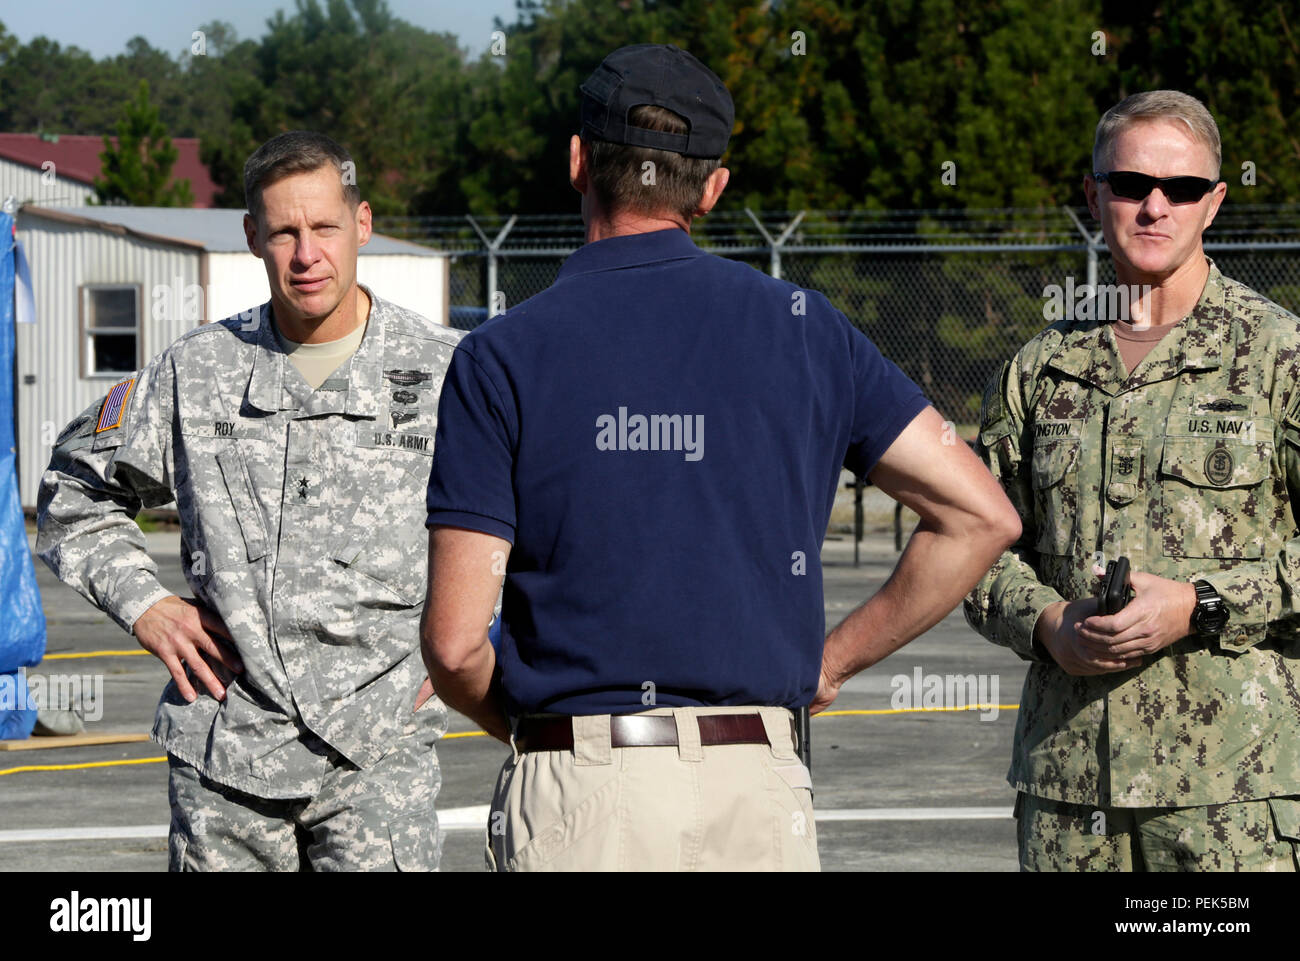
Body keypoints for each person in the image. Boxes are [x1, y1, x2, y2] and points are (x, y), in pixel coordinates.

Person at [421, 43, 1021, 872]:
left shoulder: (502, 356)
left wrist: (541, 730)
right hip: (760, 784)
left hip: (581, 791)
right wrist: (831, 659)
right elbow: (981, 514)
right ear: (713, 187)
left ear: (577, 161)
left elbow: (454, 645)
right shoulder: (808, 330)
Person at [37, 131, 462, 871]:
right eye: (284, 232)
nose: (307, 255)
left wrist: (474, 633)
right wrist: (147, 605)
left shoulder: (445, 373)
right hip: (229, 758)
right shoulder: (196, 372)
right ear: (252, 238)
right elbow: (73, 488)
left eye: (325, 227)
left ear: (361, 226)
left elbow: (537, 517)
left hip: (378, 759)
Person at [965, 90, 1300, 871]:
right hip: (1069, 795)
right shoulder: (1037, 371)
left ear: (1213, 203)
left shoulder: (1279, 360)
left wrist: (1201, 603)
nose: (1155, 207)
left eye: (1181, 189)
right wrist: (1048, 623)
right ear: (1093, 195)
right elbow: (971, 548)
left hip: (1233, 796)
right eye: (1129, 184)